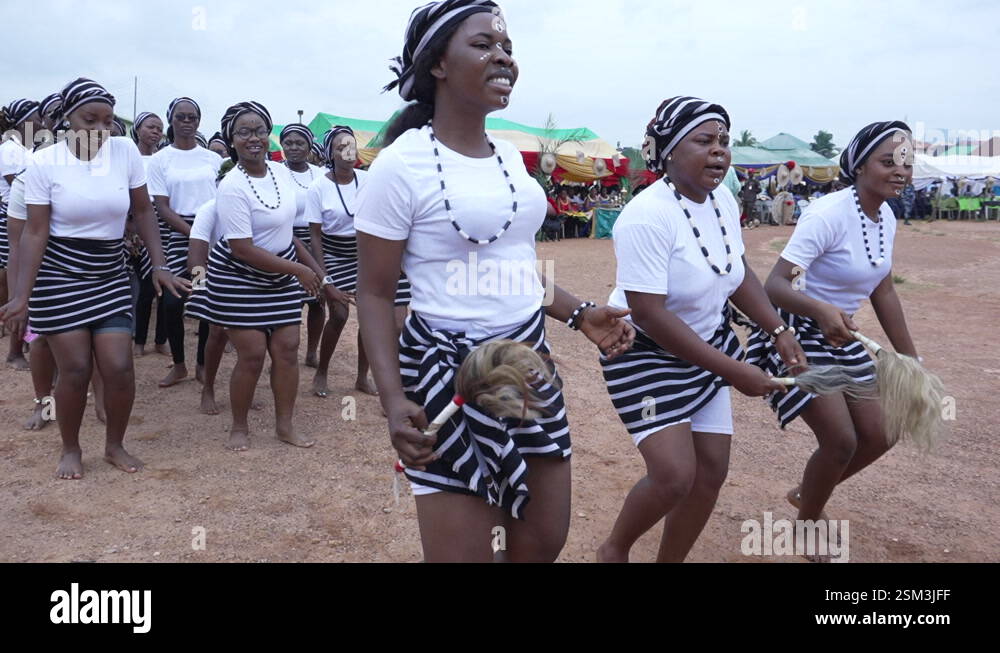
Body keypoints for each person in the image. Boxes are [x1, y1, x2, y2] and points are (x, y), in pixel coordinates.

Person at [356, 0, 634, 563]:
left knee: (541, 543)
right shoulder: (399, 166)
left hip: (527, 366)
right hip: (444, 374)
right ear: (437, 63)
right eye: (483, 44)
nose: (502, 56)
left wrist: (580, 315)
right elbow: (375, 291)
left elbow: (511, 267)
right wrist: (391, 399)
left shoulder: (510, 159)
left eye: (507, 47)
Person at [596, 97, 805, 563]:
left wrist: (777, 329)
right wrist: (735, 371)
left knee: (711, 472)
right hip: (646, 353)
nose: (719, 152)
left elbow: (738, 272)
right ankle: (614, 550)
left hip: (706, 346)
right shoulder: (646, 216)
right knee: (674, 476)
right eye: (704, 141)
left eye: (724, 142)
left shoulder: (723, 201)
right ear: (669, 150)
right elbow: (648, 314)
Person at [0, 78, 187, 479]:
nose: (100, 129)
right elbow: (34, 233)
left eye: (107, 120)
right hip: (59, 275)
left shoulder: (124, 153)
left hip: (109, 273)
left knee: (119, 367)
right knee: (76, 368)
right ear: (68, 119)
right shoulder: (44, 162)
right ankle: (70, 448)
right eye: (90, 119)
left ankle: (115, 445)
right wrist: (21, 295)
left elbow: (143, 212)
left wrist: (160, 264)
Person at [752, 121, 921, 560]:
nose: (900, 171)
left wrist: (910, 359)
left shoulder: (885, 215)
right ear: (860, 165)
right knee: (841, 440)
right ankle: (808, 522)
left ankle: (806, 494)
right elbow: (775, 285)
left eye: (906, 162)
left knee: (881, 434)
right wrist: (823, 310)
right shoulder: (827, 214)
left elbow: (883, 288)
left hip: (841, 333)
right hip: (796, 331)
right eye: (888, 162)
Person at [198, 101, 327, 452]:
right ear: (232, 138)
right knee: (252, 353)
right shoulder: (231, 186)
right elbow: (241, 248)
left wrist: (315, 270)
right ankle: (238, 426)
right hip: (239, 276)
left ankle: (284, 426)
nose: (253, 138)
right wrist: (299, 270)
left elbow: (289, 231)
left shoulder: (282, 173)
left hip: (281, 271)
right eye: (243, 132)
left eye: (259, 130)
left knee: (286, 349)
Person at [307, 125, 411, 398]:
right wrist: (324, 277)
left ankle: (362, 377)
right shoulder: (318, 187)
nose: (348, 151)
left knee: (369, 318)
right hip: (333, 256)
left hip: (365, 255)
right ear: (330, 151)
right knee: (339, 315)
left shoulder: (368, 180)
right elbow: (315, 238)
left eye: (351, 146)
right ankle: (322, 371)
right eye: (341, 147)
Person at [147, 97, 224, 387]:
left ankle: (203, 364)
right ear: (172, 120)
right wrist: (194, 234)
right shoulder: (160, 160)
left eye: (193, 117)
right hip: (178, 237)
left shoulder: (212, 159)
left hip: (210, 236)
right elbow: (162, 208)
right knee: (170, 302)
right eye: (181, 117)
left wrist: (205, 235)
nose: (187, 121)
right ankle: (179, 364)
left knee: (203, 297)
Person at [1, 99, 44, 370]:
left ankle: (29, 340)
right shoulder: (10, 149)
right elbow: (18, 186)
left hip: (29, 218)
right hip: (15, 218)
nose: (41, 122)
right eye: (37, 117)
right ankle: (15, 351)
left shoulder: (27, 149)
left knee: (30, 284)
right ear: (24, 121)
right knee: (18, 283)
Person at [279, 123, 326, 368]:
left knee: (318, 299)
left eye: (299, 143)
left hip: (316, 238)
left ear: (309, 146)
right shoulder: (274, 171)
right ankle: (283, 353)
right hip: (285, 239)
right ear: (282, 145)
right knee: (289, 299)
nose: (294, 147)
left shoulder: (320, 174)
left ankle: (311, 352)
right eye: (288, 143)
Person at [129, 111, 168, 357]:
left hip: (156, 224)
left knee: (156, 285)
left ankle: (160, 340)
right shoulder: (127, 156)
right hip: (128, 224)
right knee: (136, 287)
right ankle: (137, 339)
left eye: (159, 128)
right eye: (150, 127)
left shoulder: (163, 160)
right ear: (138, 129)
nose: (155, 132)